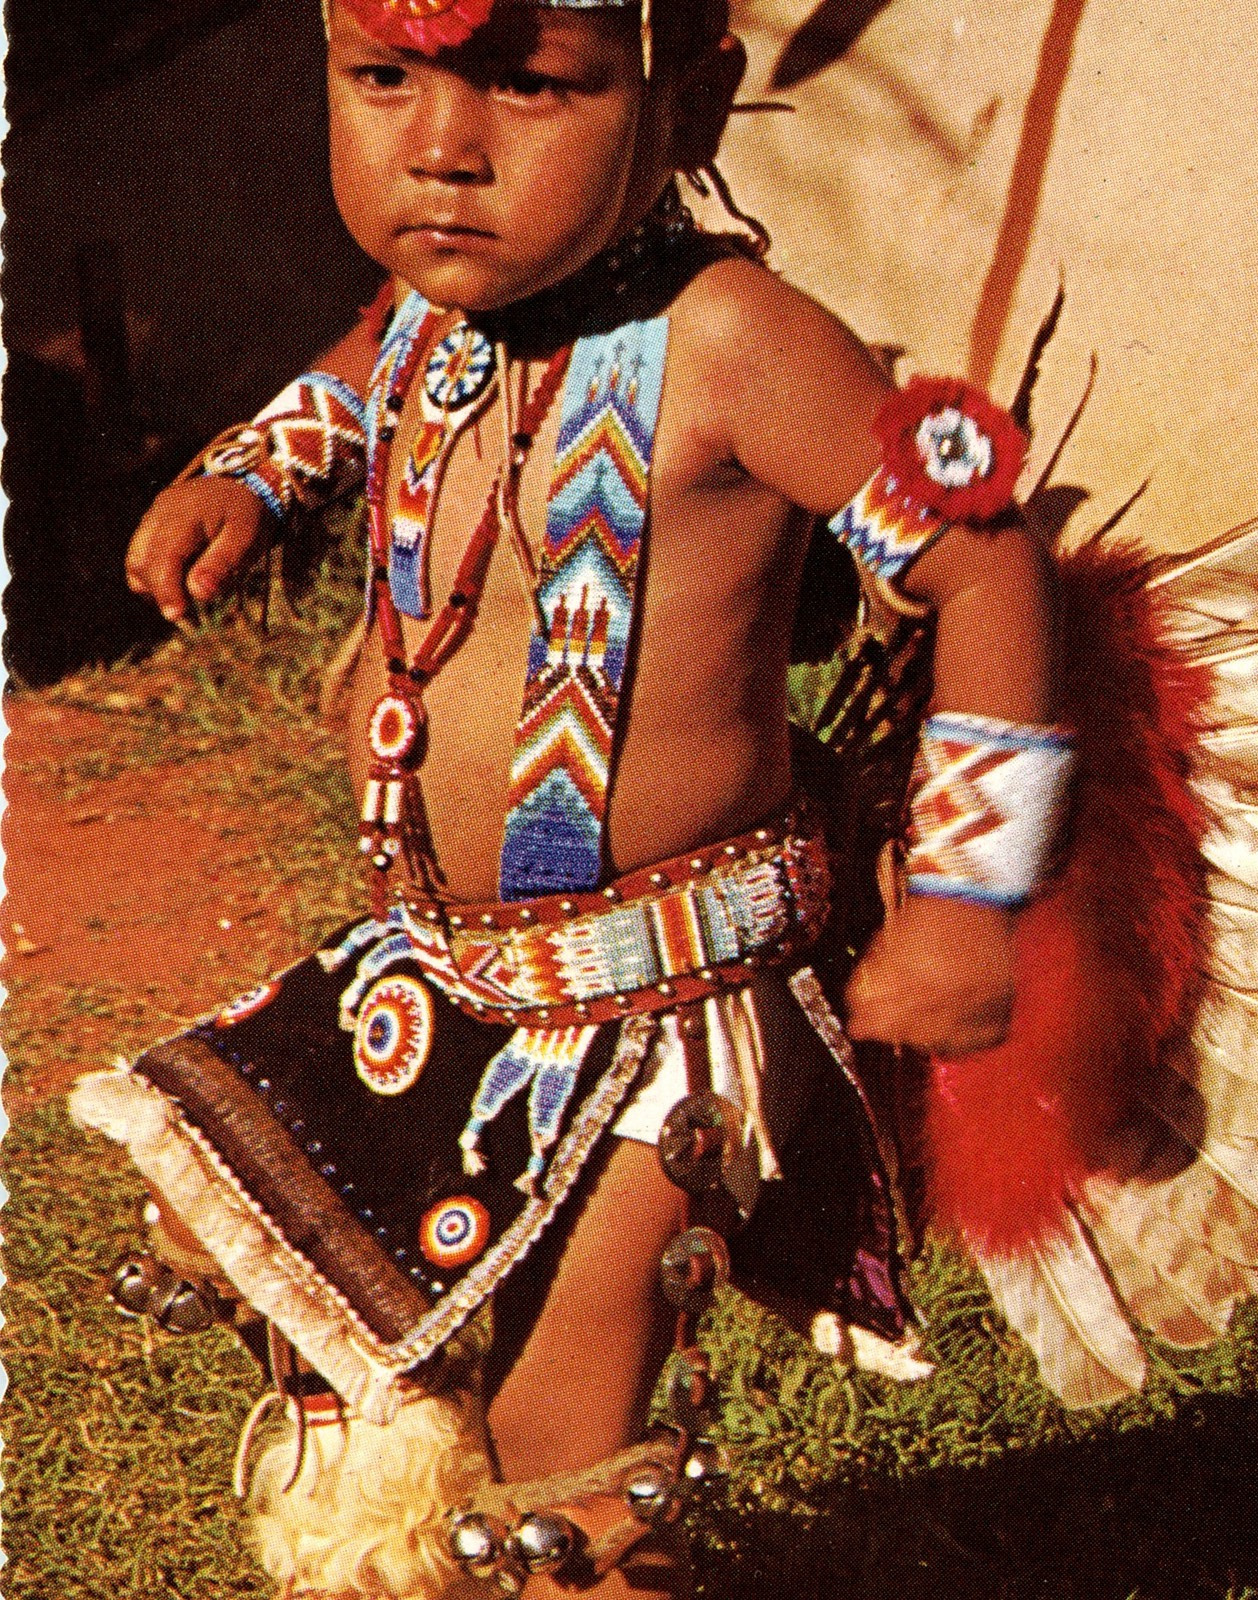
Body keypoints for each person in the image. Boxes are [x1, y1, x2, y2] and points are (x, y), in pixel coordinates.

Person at [76, 0, 1071, 1594]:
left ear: (691, 98)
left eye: (533, 87)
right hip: (442, 969)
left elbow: (988, 559)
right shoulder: (436, 298)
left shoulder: (741, 342)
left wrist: (964, 901)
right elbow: (363, 353)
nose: (445, 151)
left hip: (665, 1006)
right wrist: (254, 472)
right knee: (357, 1300)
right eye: (382, 79)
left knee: (561, 1435)